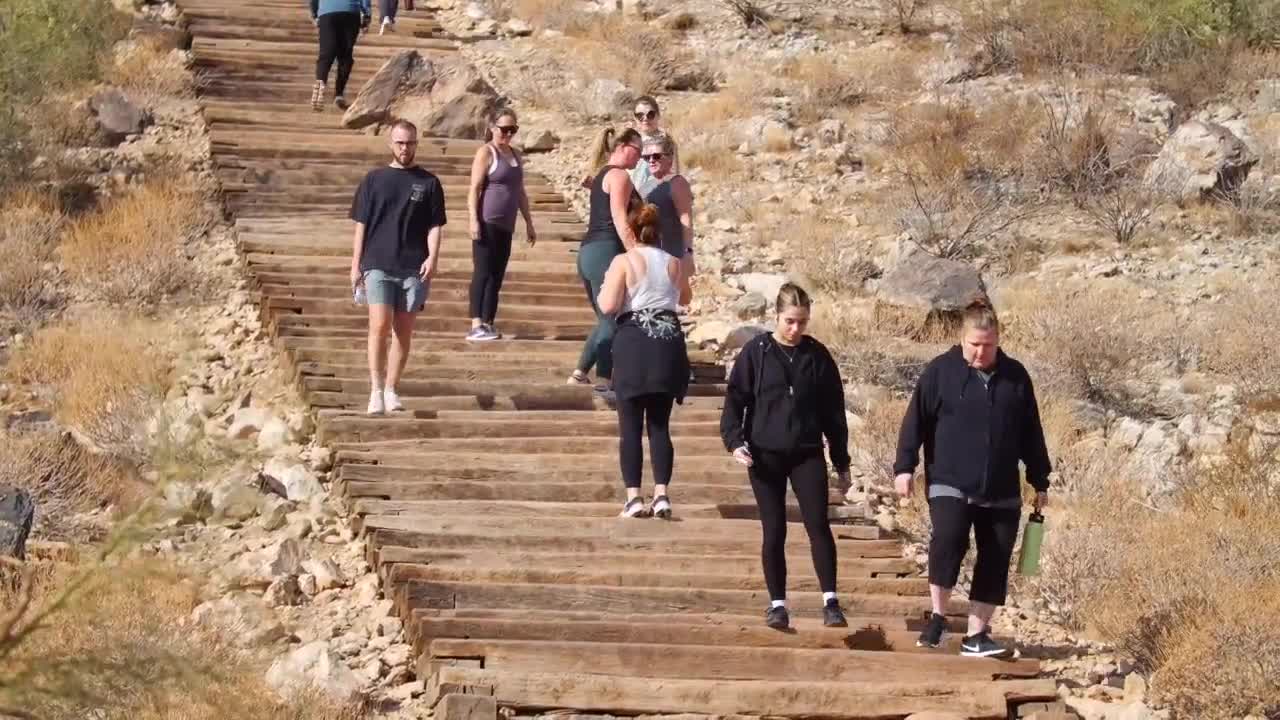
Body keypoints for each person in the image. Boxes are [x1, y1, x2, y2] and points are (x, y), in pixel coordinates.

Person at [893, 299, 1051, 658]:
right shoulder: (941, 372)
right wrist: (904, 467)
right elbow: (914, 421)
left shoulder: (1016, 377)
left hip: (1002, 488)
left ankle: (977, 635)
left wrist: (1040, 480)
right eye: (974, 345)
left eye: (988, 345)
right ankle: (938, 616)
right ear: (962, 339)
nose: (981, 352)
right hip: (950, 480)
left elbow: (1032, 433)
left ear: (998, 341)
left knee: (995, 557)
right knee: (948, 540)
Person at [719, 283, 852, 631]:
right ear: (776, 316)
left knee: (818, 525)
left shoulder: (817, 356)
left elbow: (834, 412)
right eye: (790, 321)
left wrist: (842, 461)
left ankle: (831, 601)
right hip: (764, 456)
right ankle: (777, 605)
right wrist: (735, 442)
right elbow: (736, 400)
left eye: (802, 322)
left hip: (807, 452)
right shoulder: (756, 352)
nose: (795, 329)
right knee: (773, 529)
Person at [597, 204, 692, 519]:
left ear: (633, 232)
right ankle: (662, 494)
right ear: (657, 232)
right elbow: (685, 298)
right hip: (667, 342)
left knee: (630, 426)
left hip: (635, 341)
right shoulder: (674, 263)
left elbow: (609, 304)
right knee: (660, 425)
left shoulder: (624, 261)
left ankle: (634, 497)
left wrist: (603, 290)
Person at [349, 119, 447, 415]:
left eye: (410, 143)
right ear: (391, 143)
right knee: (378, 325)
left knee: (403, 332)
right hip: (378, 261)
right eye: (400, 142)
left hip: (412, 266)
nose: (405, 148)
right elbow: (361, 225)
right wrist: (355, 265)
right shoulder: (374, 180)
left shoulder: (429, 183)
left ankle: (392, 389)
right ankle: (375, 389)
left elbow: (435, 225)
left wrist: (433, 257)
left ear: (417, 144)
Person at [568, 128, 643, 391]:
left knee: (604, 318)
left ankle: (579, 372)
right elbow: (620, 220)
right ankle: (604, 380)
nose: (640, 157)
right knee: (612, 317)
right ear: (622, 146)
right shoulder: (619, 176)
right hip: (606, 250)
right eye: (638, 150)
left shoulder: (602, 175)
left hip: (588, 252)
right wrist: (638, 253)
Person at [465, 108, 536, 342]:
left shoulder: (515, 155)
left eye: (512, 130)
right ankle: (476, 323)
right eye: (504, 129)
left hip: (507, 224)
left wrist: (529, 222)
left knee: (497, 275)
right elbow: (475, 188)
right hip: (487, 220)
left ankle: (488, 321)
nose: (507, 134)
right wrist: (473, 219)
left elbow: (520, 192)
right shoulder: (486, 152)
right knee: (483, 271)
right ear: (493, 128)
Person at [638, 135, 695, 279]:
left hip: (670, 252)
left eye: (656, 156)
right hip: (648, 253)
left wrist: (688, 252)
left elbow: (686, 218)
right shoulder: (646, 185)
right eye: (646, 157)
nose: (651, 160)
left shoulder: (677, 182)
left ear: (669, 157)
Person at [309, 0, 371, 111]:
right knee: (345, 56)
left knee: (326, 54)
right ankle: (339, 94)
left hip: (327, 11)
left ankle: (321, 80)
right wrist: (367, 15)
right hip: (350, 11)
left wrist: (314, 13)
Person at [628, 96, 680, 198]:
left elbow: (674, 175)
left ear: (658, 115)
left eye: (650, 114)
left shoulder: (666, 141)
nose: (645, 119)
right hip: (633, 202)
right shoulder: (630, 142)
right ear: (634, 118)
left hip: (658, 199)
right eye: (640, 115)